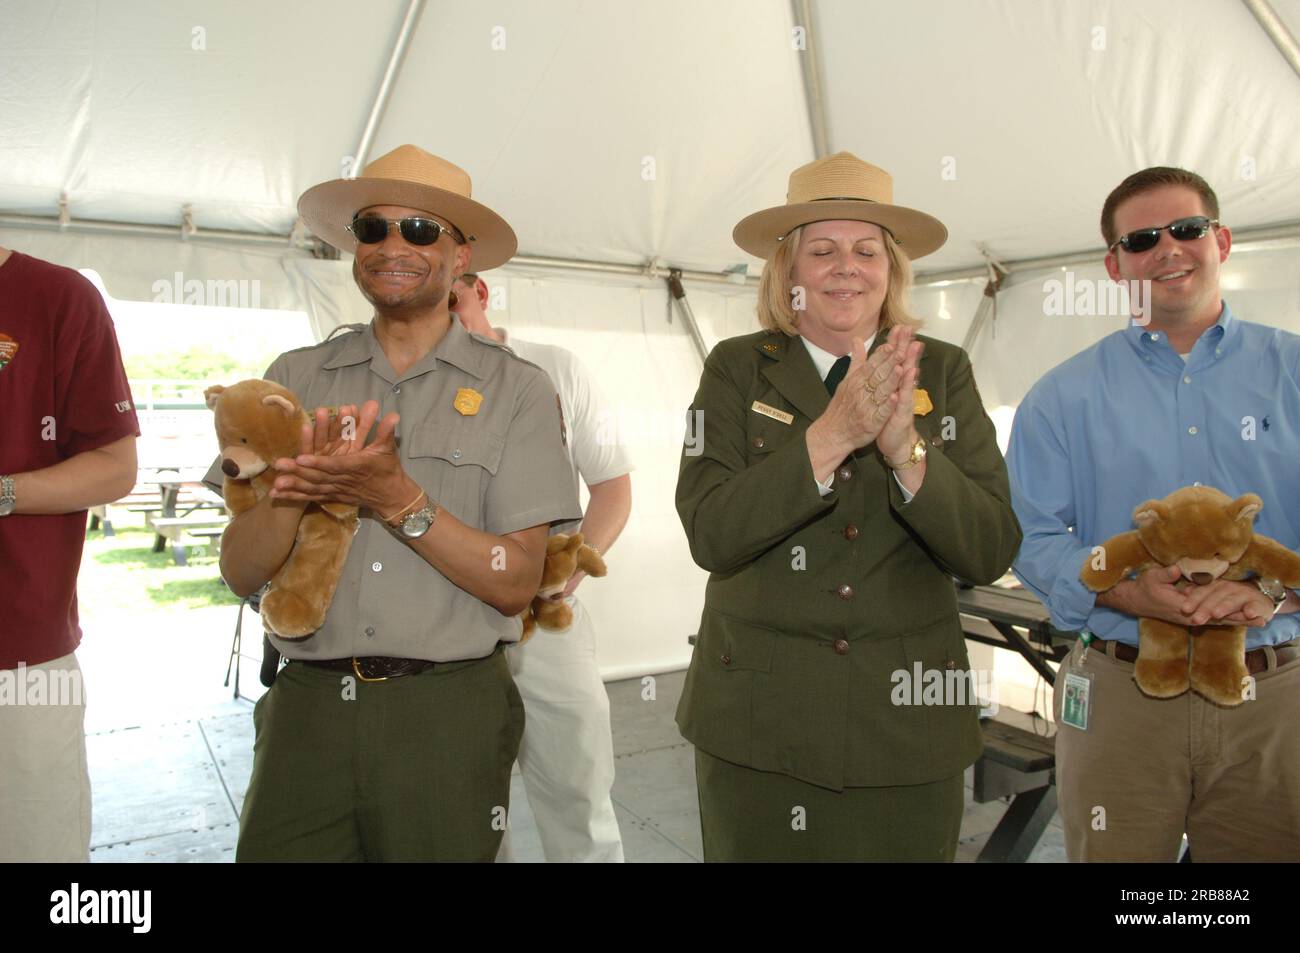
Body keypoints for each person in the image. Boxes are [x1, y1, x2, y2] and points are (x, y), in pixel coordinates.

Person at [206, 145, 581, 861]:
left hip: (446, 716)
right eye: (373, 228)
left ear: (462, 255)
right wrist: (294, 494)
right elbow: (238, 571)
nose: (391, 246)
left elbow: (515, 581)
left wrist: (397, 497)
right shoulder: (292, 379)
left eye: (419, 229)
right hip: (306, 711)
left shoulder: (520, 391)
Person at [674, 152, 1021, 861]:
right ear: (789, 273)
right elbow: (710, 529)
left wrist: (906, 451)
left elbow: (989, 547)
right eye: (822, 250)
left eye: (867, 250)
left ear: (891, 270)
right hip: (757, 724)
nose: (846, 267)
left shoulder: (945, 371)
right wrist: (827, 439)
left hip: (907, 726)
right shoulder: (737, 368)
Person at [1007, 166, 1300, 862]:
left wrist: (1275, 590)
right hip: (1119, 696)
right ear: (1115, 265)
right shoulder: (1060, 396)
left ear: (1221, 240)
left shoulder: (1293, 370)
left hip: (1276, 697)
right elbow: (1031, 531)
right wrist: (1126, 589)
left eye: (1187, 228)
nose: (1168, 248)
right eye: (1142, 239)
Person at [451, 272, 633, 863]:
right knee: (467, 805)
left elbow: (612, 485)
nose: (444, 316)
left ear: (480, 291)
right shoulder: (410, 378)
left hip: (550, 621)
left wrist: (567, 576)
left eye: (452, 298)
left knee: (580, 790)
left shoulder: (557, 366)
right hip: (447, 620)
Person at [0, 247, 140, 861]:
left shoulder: (57, 296)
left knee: (34, 850)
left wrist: (4, 491)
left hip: (19, 663)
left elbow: (114, 468)